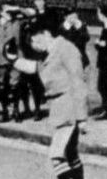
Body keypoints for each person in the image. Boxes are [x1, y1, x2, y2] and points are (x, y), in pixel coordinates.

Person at [11, 21, 88, 179]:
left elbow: (78, 81)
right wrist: (13, 60)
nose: (35, 46)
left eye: (36, 40)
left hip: (69, 108)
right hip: (61, 107)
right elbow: (36, 67)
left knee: (56, 156)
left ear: (47, 33)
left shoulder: (66, 49)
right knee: (70, 153)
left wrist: (81, 117)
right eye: (32, 43)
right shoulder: (52, 52)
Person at [0, 5, 22, 122]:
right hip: (0, 60)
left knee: (15, 85)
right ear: (2, 12)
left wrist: (11, 21)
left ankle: (16, 110)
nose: (9, 13)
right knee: (2, 87)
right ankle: (5, 111)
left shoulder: (16, 23)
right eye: (7, 11)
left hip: (14, 59)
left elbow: (17, 39)